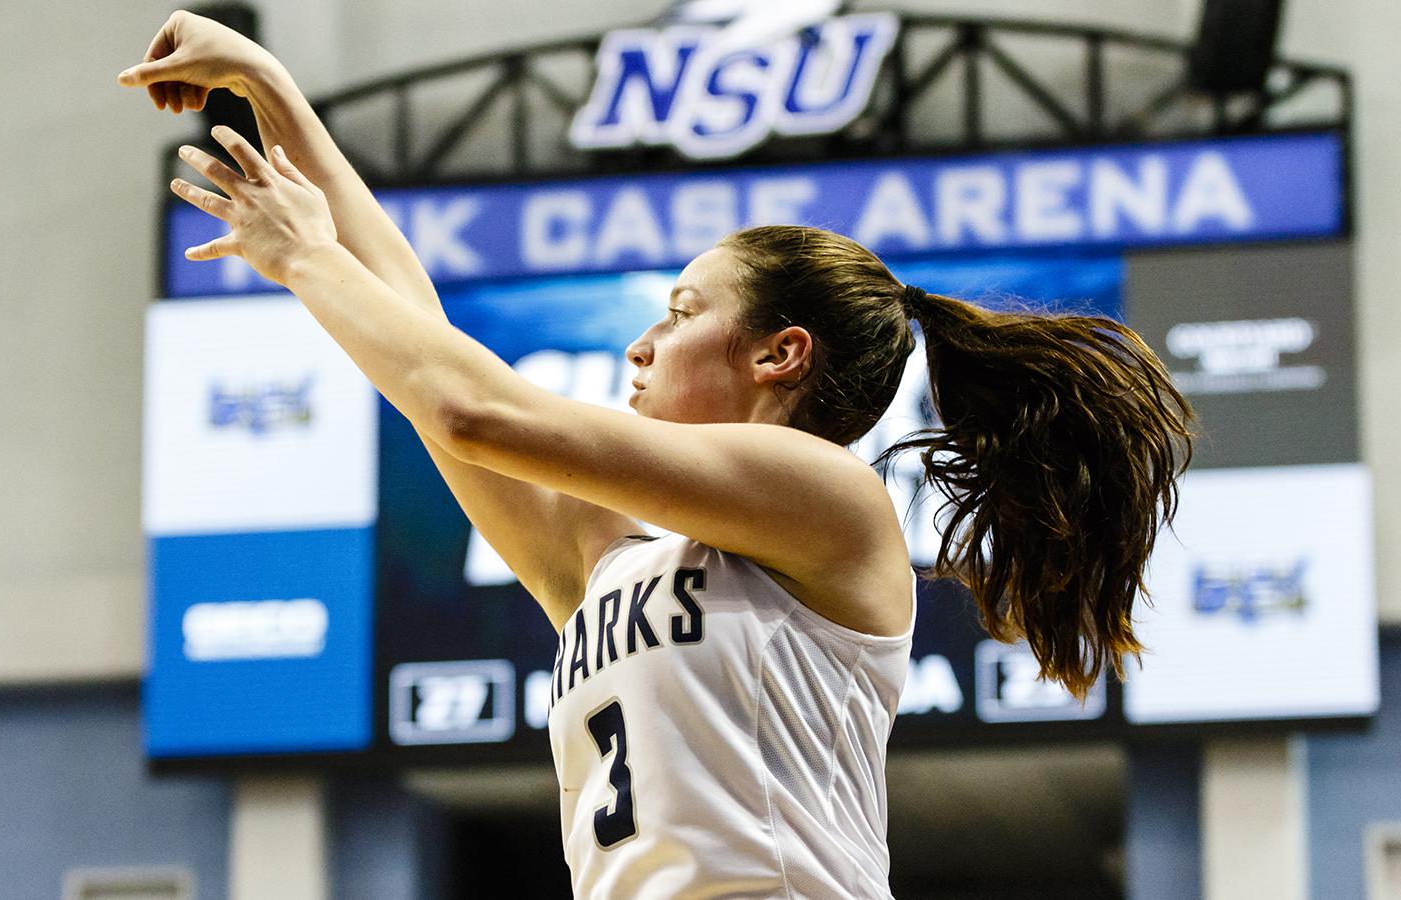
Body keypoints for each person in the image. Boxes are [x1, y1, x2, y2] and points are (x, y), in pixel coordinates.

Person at [120, 13, 1193, 899]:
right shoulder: (600, 562)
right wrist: (273, 90)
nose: (641, 345)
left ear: (782, 354)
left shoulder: (829, 497)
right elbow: (425, 336)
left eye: (680, 313)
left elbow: (469, 410)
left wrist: (304, 257)